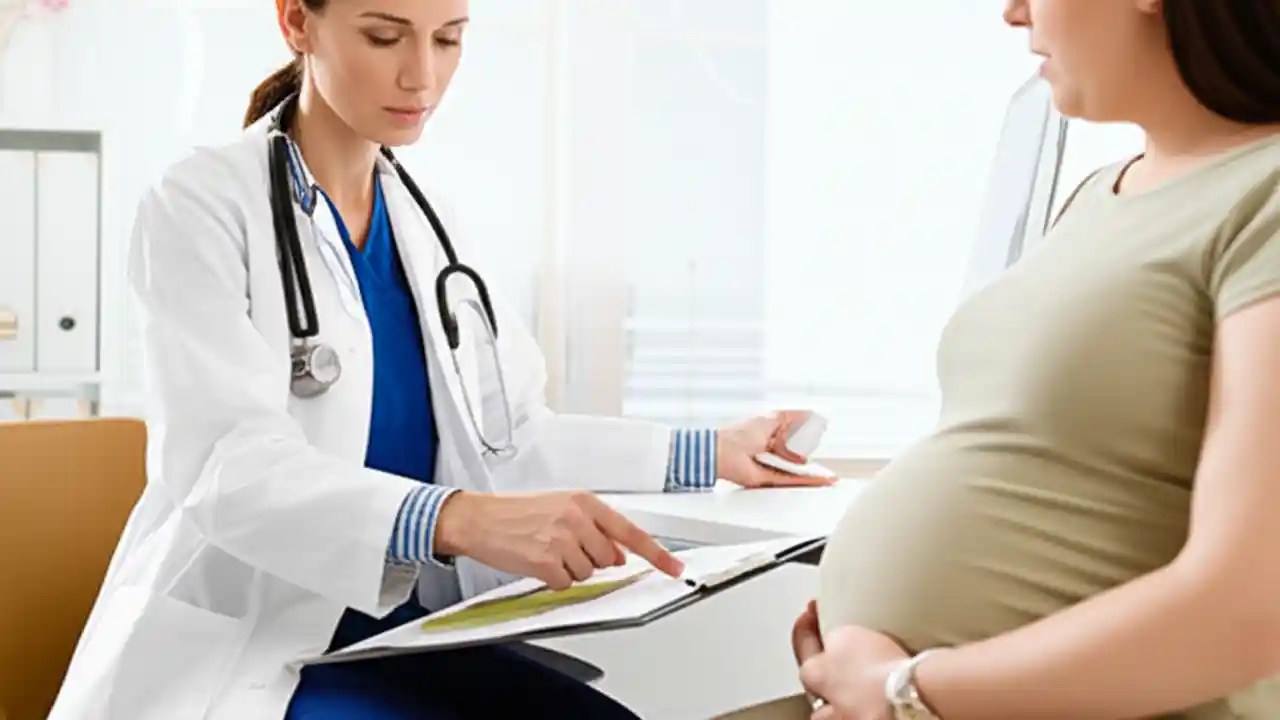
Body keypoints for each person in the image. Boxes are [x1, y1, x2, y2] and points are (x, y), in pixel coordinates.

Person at [47, 1, 833, 718]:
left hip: (408, 632)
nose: (421, 75)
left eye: (448, 39)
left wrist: (714, 452)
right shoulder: (202, 205)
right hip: (261, 648)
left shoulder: (432, 227)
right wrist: (452, 519)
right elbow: (226, 466)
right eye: (384, 36)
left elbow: (511, 437)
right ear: (297, 22)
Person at [726, 0, 1280, 718]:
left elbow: (1250, 607)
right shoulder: (1099, 193)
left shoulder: (1264, 197)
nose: (1012, 12)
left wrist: (905, 692)